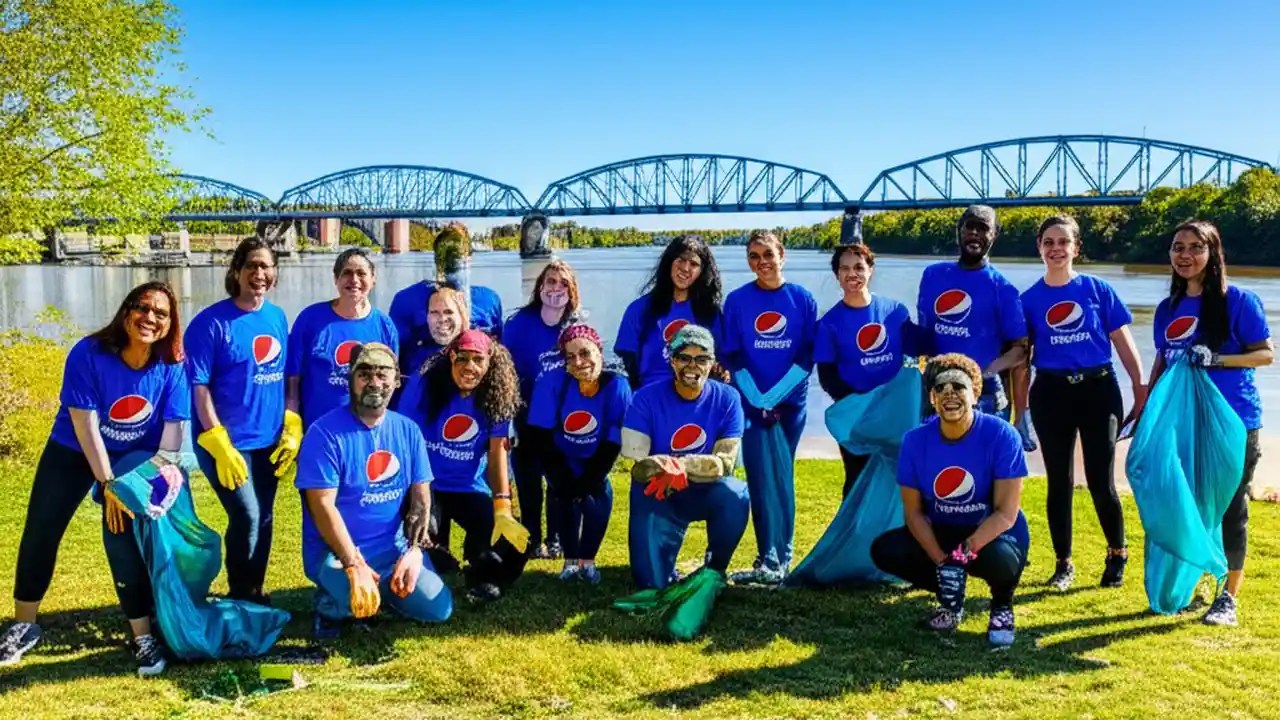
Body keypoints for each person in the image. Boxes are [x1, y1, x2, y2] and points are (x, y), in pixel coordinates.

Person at [0, 282, 188, 675]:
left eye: (161, 313)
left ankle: (143, 636)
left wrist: (135, 487)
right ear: (125, 311)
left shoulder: (172, 364)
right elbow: (86, 428)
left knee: (122, 539)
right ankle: (23, 626)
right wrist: (107, 484)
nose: (150, 318)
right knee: (41, 530)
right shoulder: (89, 353)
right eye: (142, 308)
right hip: (72, 451)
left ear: (171, 324)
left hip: (135, 459)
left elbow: (171, 438)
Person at [1147, 220, 1272, 626]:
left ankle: (1228, 597)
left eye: (1195, 247)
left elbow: (1265, 354)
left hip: (1233, 421)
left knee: (1231, 509)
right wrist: (1146, 405)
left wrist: (1217, 359)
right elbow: (1163, 359)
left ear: (1212, 253)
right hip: (1184, 424)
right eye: (1177, 247)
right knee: (1186, 505)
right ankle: (1194, 582)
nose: (1184, 255)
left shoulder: (1238, 300)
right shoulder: (1167, 308)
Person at [1019, 215, 1146, 590]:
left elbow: (1124, 341)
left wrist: (1140, 390)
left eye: (1063, 242)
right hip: (1052, 392)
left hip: (1098, 390)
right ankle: (1063, 564)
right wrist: (1020, 408)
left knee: (1100, 480)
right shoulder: (1028, 300)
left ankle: (1117, 554)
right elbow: (1023, 358)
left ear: (1076, 248)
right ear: (1040, 248)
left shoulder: (1097, 289)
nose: (1056, 249)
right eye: (1049, 242)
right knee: (1058, 481)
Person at [871, 353, 1029, 648]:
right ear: (931, 398)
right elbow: (914, 513)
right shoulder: (915, 441)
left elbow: (1006, 513)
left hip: (994, 530)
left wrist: (964, 553)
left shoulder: (1002, 435)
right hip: (944, 529)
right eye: (941, 389)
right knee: (885, 550)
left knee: (1001, 561)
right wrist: (942, 561)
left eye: (958, 387)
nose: (950, 395)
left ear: (975, 393)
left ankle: (1002, 606)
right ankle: (950, 598)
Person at [295, 342, 452, 639]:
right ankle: (331, 603)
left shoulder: (408, 430)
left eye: (383, 374)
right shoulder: (323, 433)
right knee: (352, 601)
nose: (375, 383)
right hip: (337, 553)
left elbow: (421, 500)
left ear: (396, 380)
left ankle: (382, 589)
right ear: (351, 380)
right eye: (364, 374)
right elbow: (322, 507)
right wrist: (354, 564)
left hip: (392, 549)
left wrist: (415, 551)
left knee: (439, 610)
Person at [186, 237, 295, 606]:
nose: (259, 274)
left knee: (264, 517)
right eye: (252, 266)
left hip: (269, 441)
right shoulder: (210, 323)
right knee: (247, 514)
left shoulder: (277, 317)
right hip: (225, 445)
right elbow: (198, 387)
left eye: (266, 266)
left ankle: (256, 592)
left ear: (275, 273)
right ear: (236, 271)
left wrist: (291, 423)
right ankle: (239, 590)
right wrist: (218, 441)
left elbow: (286, 377)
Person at [398, 330, 528, 601]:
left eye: (478, 360)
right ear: (450, 358)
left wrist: (503, 507)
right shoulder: (424, 383)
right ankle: (435, 559)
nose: (469, 367)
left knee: (514, 543)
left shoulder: (498, 395)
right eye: (462, 359)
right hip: (426, 482)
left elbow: (497, 453)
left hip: (468, 485)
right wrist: (416, 497)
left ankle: (480, 577)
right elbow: (405, 439)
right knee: (424, 538)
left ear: (489, 362)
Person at [720, 231, 817, 584]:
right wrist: (757, 399)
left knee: (782, 480)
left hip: (790, 407)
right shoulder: (737, 300)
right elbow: (732, 354)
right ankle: (766, 558)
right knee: (760, 481)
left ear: (782, 256)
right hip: (753, 407)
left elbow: (807, 356)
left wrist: (776, 397)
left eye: (768, 254)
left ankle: (784, 557)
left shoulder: (802, 299)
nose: (762, 262)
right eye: (754, 256)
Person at [622, 324, 749, 590]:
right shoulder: (645, 398)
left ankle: (714, 569)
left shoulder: (728, 398)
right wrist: (666, 469)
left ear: (712, 362)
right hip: (658, 491)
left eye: (702, 359)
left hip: (703, 491)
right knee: (650, 584)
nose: (693, 366)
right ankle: (659, 561)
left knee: (737, 494)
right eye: (684, 358)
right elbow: (635, 464)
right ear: (671, 360)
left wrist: (680, 464)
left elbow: (724, 463)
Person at [815, 243, 924, 497]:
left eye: (859, 267)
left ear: (871, 270)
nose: (852, 274)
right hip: (857, 420)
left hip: (895, 417)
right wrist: (863, 406)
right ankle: (853, 535)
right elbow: (827, 378)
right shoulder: (829, 324)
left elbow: (919, 349)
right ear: (837, 275)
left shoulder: (895, 312)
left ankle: (900, 534)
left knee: (900, 480)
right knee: (857, 480)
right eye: (845, 269)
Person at [526, 324, 631, 583]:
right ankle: (570, 561)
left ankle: (588, 561)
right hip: (562, 454)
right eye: (570, 357)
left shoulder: (616, 385)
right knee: (562, 496)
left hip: (596, 455)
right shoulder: (552, 382)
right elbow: (540, 433)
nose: (579, 362)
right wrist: (560, 476)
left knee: (598, 496)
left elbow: (614, 438)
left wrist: (591, 478)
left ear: (599, 351)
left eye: (585, 353)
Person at [915, 205, 1028, 422]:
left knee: (983, 456)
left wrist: (981, 373)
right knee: (935, 455)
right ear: (959, 231)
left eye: (983, 228)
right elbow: (924, 334)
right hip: (935, 387)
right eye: (969, 226)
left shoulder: (1004, 289)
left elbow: (1019, 350)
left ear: (994, 235)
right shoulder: (932, 276)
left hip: (983, 393)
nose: (975, 233)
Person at [504, 260, 583, 559]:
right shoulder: (520, 324)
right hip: (526, 414)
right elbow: (506, 370)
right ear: (540, 287)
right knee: (528, 478)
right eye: (551, 282)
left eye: (563, 283)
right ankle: (532, 536)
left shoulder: (575, 326)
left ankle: (556, 538)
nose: (556, 288)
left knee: (559, 478)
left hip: (563, 417)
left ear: (571, 290)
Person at [287, 248, 398, 430]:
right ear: (336, 279)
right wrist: (292, 421)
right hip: (317, 430)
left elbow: (391, 383)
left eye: (361, 273)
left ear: (373, 279)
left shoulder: (385, 327)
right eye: (347, 273)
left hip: (364, 431)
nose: (354, 280)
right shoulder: (310, 319)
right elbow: (293, 378)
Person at [389, 224, 504, 378]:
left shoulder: (488, 300)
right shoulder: (408, 300)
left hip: (475, 386)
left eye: (457, 258)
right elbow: (392, 357)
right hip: (425, 387)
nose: (452, 266)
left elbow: (500, 353)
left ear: (469, 259)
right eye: (447, 258)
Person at [615, 234, 725, 390]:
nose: (685, 268)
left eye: (693, 264)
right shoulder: (639, 309)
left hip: (695, 396)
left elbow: (719, 359)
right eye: (680, 259)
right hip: (651, 396)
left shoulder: (710, 313)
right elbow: (628, 362)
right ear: (669, 262)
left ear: (702, 271)